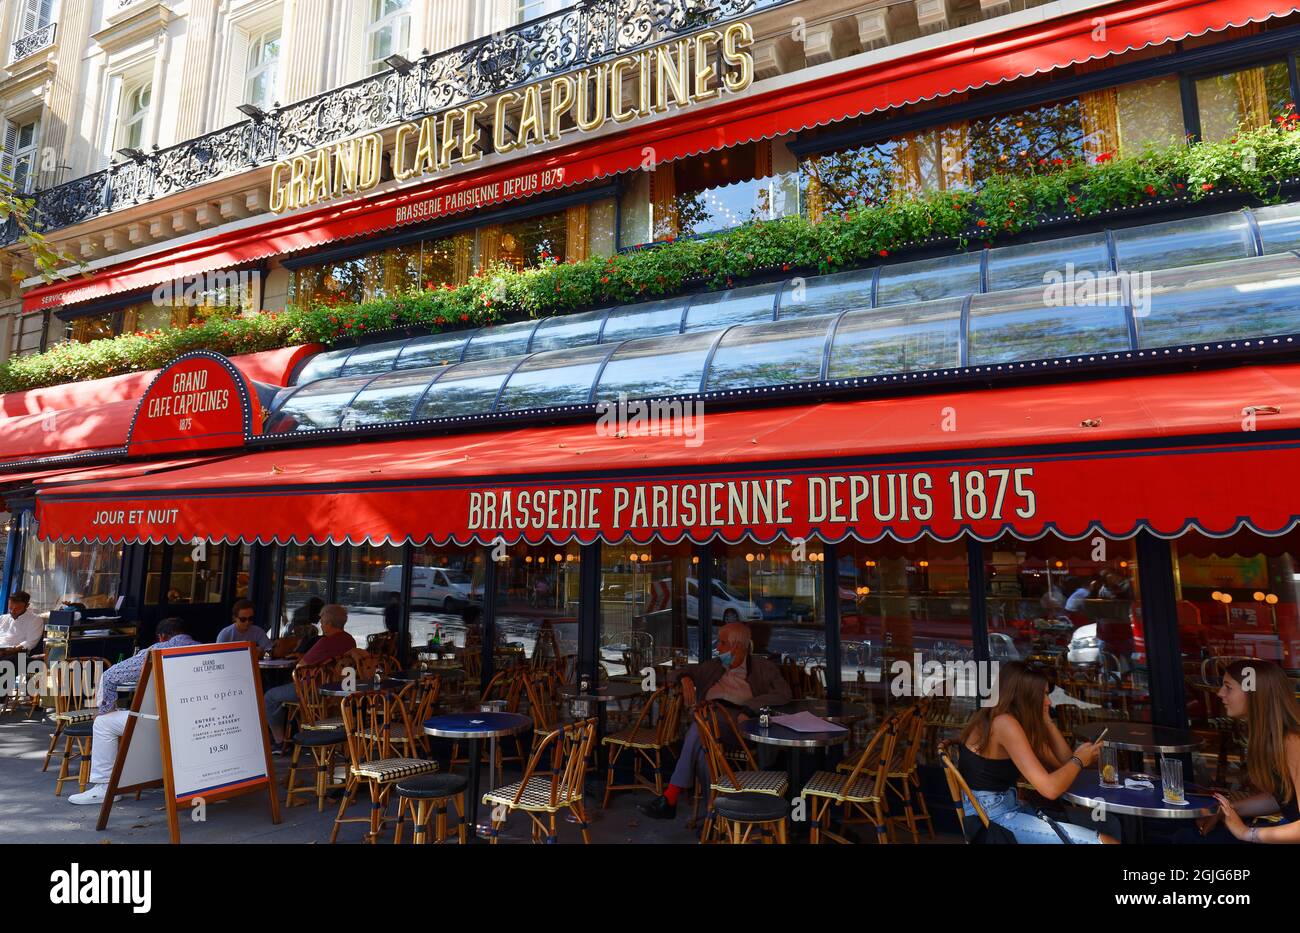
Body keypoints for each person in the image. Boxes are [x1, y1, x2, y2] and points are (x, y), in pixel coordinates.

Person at [638, 621, 791, 820]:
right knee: (704, 752)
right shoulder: (713, 666)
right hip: (709, 725)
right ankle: (715, 816)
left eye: (722, 643)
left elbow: (784, 694)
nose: (718, 647)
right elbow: (674, 672)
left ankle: (671, 796)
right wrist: (684, 678)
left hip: (739, 726)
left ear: (737, 646)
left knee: (701, 727)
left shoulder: (763, 668)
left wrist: (750, 707)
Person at [957, 661, 1115, 843]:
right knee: (1107, 840)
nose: (1048, 701)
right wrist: (1079, 760)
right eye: (1044, 695)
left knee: (1108, 823)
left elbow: (1062, 763)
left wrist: (1046, 720)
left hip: (1006, 807)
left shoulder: (1007, 719)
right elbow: (1050, 789)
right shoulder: (1004, 724)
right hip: (993, 820)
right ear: (1026, 697)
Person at [68, 618, 201, 805]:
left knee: (103, 723)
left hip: (164, 722)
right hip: (198, 724)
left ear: (162, 637)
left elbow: (110, 676)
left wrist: (106, 709)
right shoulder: (206, 650)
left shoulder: (157, 650)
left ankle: (105, 787)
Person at [1193, 659, 1300, 843]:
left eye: (1228, 687)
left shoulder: (1293, 741)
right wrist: (1226, 810)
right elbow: (1284, 799)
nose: (1220, 693)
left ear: (1253, 694)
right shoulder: (1273, 737)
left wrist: (1245, 833)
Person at [264, 603, 355, 744]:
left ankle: (279, 741)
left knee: (270, 696)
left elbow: (301, 667)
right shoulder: (350, 640)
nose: (321, 624)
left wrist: (300, 658)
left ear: (329, 623)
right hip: (338, 693)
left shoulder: (325, 642)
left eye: (322, 621)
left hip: (313, 691)